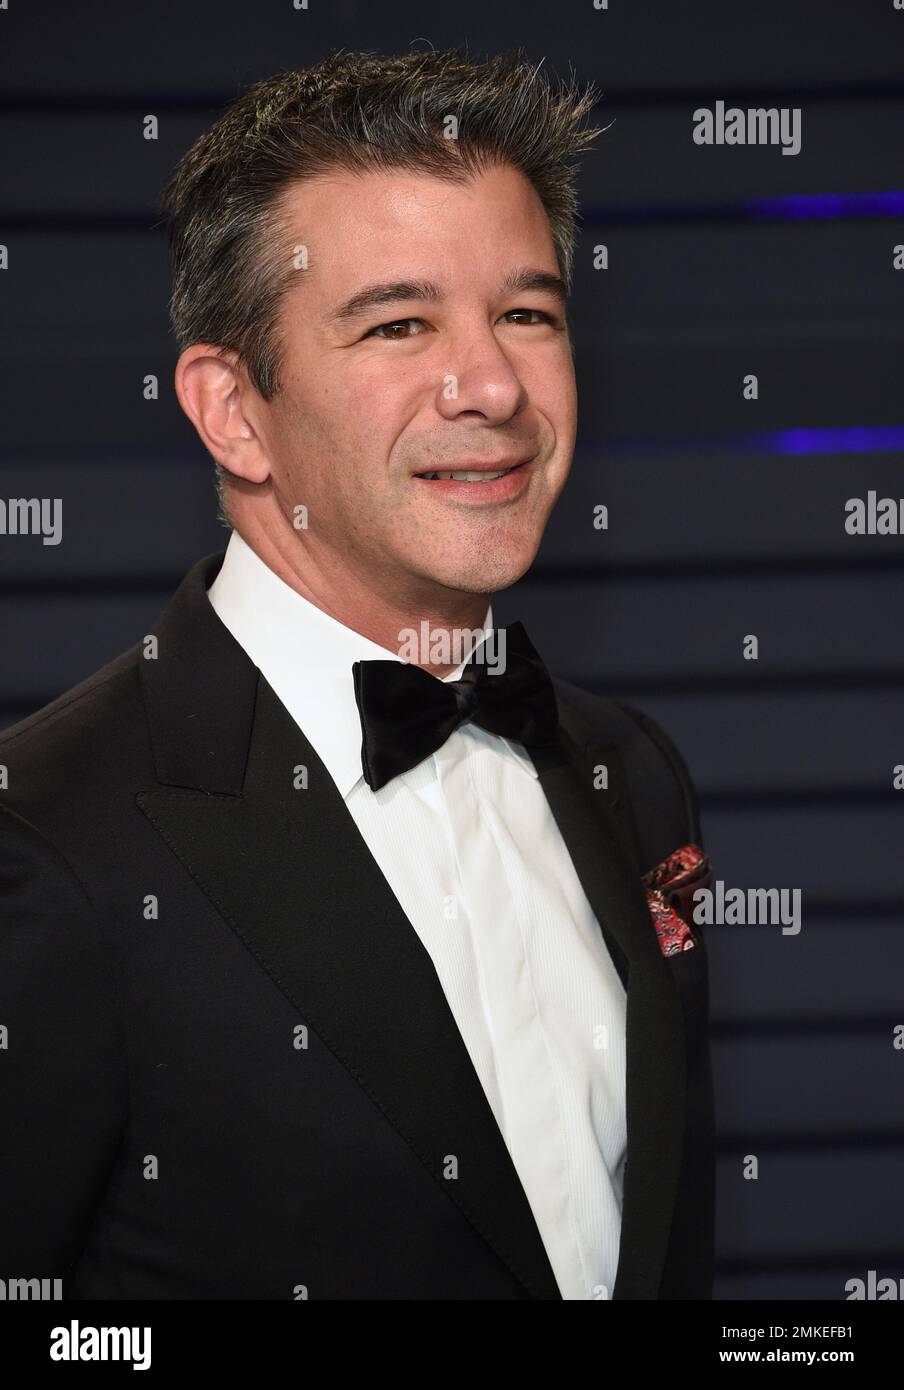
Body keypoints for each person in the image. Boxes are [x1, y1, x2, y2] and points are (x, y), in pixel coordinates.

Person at [0, 47, 714, 1300]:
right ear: (235, 413)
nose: (492, 384)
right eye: (399, 323)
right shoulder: (43, 842)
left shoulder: (631, 773)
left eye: (528, 314)